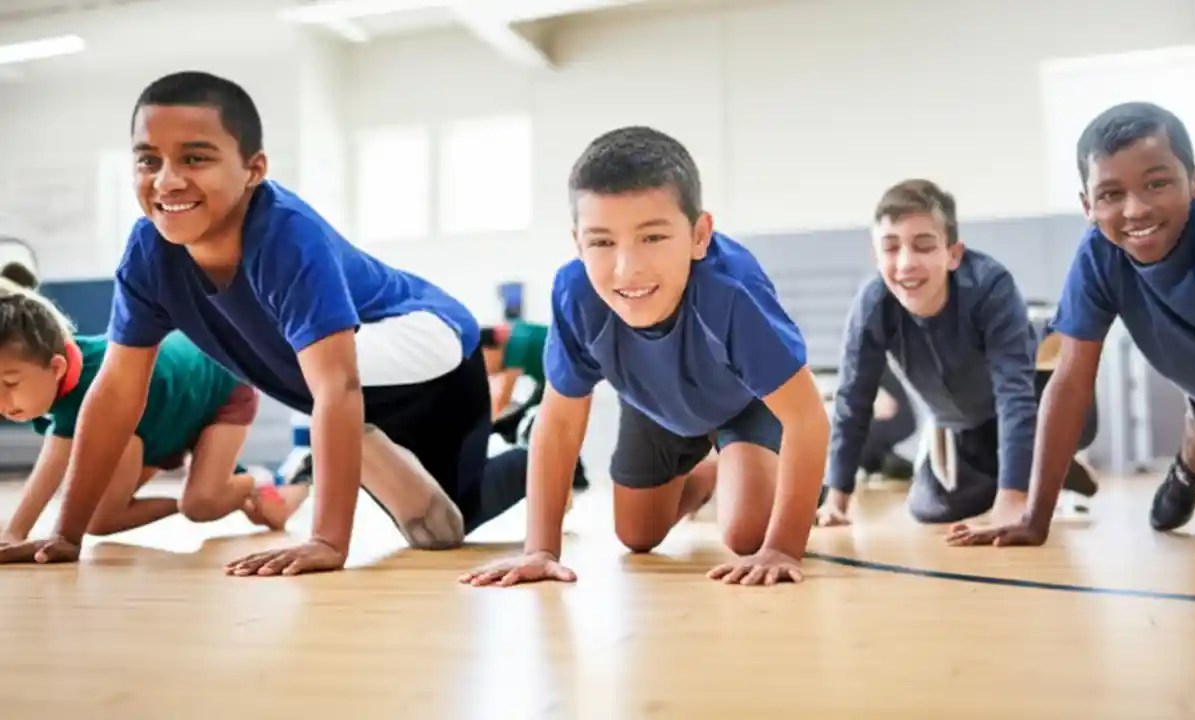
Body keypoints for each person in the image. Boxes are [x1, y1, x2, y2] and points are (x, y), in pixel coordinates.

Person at [0, 70, 528, 575]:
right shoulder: (148, 254)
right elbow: (116, 390)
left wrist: (326, 540)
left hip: (427, 345)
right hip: (343, 391)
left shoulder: (286, 238)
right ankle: (515, 457)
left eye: (195, 157)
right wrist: (66, 535)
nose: (167, 180)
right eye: (147, 160)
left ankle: (537, 453)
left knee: (324, 370)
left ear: (253, 169)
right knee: (440, 529)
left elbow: (338, 384)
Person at [460, 126, 829, 587]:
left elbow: (807, 420)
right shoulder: (576, 294)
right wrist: (540, 548)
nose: (626, 268)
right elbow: (559, 424)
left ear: (699, 235)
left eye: (652, 238)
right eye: (601, 242)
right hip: (655, 403)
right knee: (637, 535)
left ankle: (774, 475)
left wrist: (782, 548)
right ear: (578, 243)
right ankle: (711, 471)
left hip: (743, 403)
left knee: (748, 534)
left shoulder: (732, 293)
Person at [947, 101, 1195, 560]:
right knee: (1194, 449)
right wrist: (1034, 516)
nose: (1136, 209)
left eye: (1157, 183)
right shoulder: (1098, 257)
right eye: (1110, 194)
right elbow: (1068, 383)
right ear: (1087, 205)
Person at [816, 179, 1097, 528]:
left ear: (953, 254)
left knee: (1066, 418)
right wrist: (837, 499)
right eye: (891, 248)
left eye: (924, 246)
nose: (905, 263)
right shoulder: (872, 305)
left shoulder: (990, 286)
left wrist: (1012, 502)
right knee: (929, 509)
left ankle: (1046, 460)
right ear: (876, 256)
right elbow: (853, 402)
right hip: (966, 425)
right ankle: (1049, 471)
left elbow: (1014, 397)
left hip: (1035, 395)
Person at [0, 272, 306, 543]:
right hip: (160, 415)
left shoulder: (88, 385)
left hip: (221, 383)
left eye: (10, 384)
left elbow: (50, 469)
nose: (2, 403)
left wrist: (14, 533)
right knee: (97, 520)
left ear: (57, 367)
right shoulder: (44, 374)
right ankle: (219, 489)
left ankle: (267, 478)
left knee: (202, 505)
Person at [481, 321, 590, 491]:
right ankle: (573, 474)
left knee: (543, 423)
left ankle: (574, 475)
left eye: (483, 358)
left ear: (490, 349)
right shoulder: (513, 336)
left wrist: (478, 431)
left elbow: (502, 399)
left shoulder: (516, 345)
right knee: (518, 419)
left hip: (564, 376)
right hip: (552, 377)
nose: (484, 366)